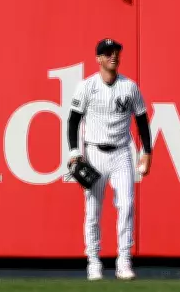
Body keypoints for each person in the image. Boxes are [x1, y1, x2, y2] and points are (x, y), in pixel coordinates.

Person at [67, 38, 152, 281]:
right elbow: (73, 120)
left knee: (126, 205)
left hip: (122, 153)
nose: (113, 56)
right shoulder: (87, 86)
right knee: (93, 211)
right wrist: (74, 153)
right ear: (98, 59)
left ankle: (123, 260)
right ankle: (93, 261)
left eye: (116, 52)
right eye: (107, 53)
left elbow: (142, 120)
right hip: (94, 153)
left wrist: (147, 152)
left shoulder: (129, 87)